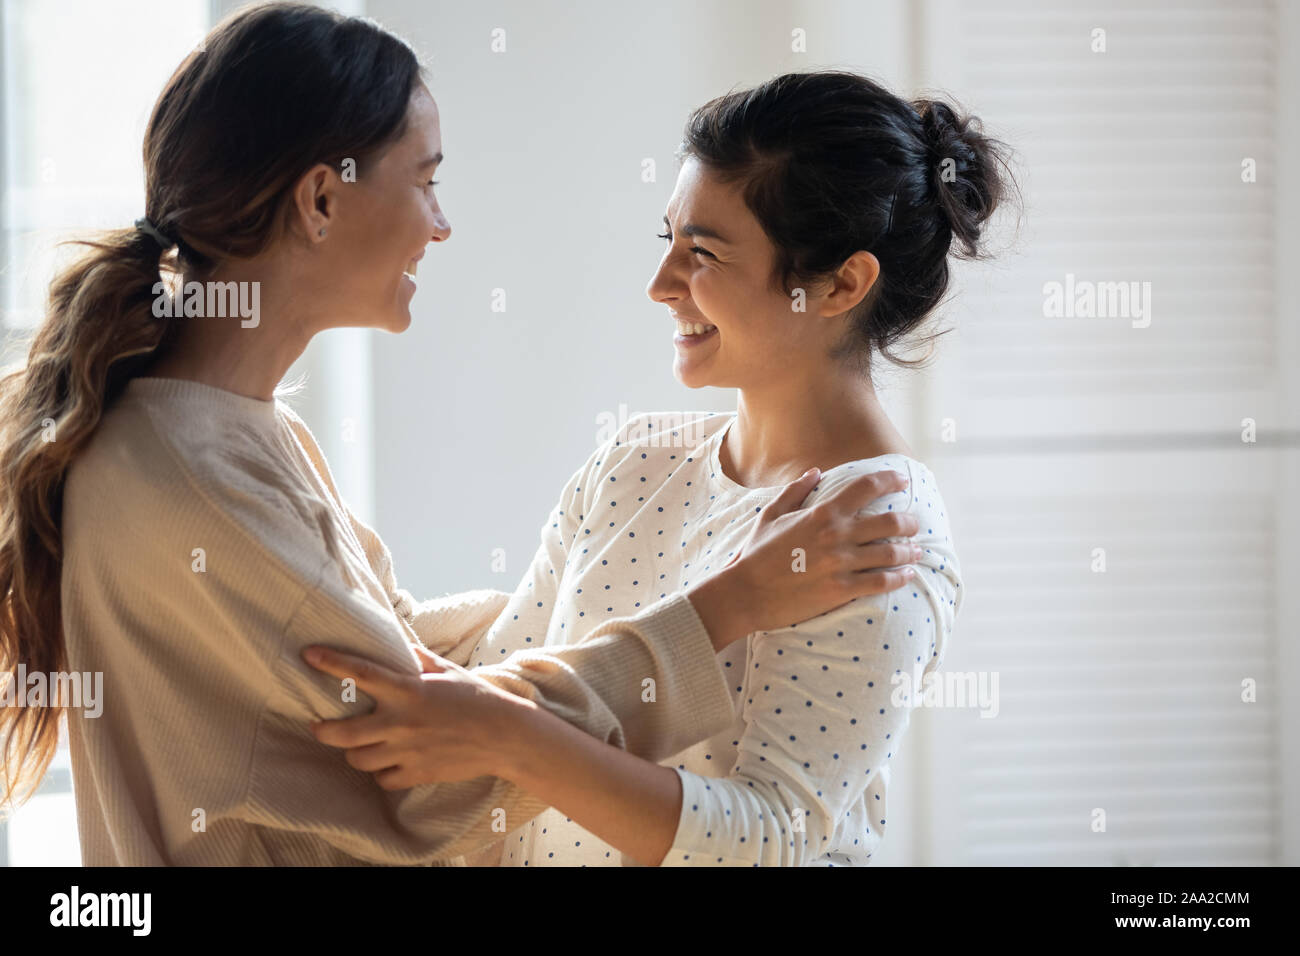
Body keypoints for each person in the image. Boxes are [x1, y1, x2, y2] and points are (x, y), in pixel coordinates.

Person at [0, 4, 918, 866]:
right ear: (321, 201)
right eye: (427, 181)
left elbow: (398, 652)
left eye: (703, 251)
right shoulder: (193, 474)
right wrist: (725, 606)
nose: (442, 226)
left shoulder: (227, 428)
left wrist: (600, 595)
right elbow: (438, 767)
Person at [304, 69, 1016, 866]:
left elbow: (770, 837)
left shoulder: (878, 526)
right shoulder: (638, 459)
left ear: (839, 284)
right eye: (667, 240)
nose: (659, 285)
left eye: (703, 253)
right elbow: (506, 679)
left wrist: (513, 741)